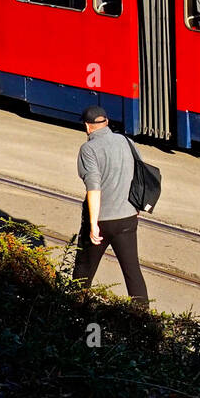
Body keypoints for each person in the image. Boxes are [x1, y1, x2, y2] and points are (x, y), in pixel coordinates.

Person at [73, 105, 148, 307]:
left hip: (102, 220)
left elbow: (94, 187)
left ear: (87, 127)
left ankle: (72, 313)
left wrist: (93, 223)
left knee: (83, 271)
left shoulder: (88, 149)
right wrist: (136, 207)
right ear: (106, 122)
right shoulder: (126, 141)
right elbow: (139, 175)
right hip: (127, 217)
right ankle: (144, 321)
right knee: (132, 271)